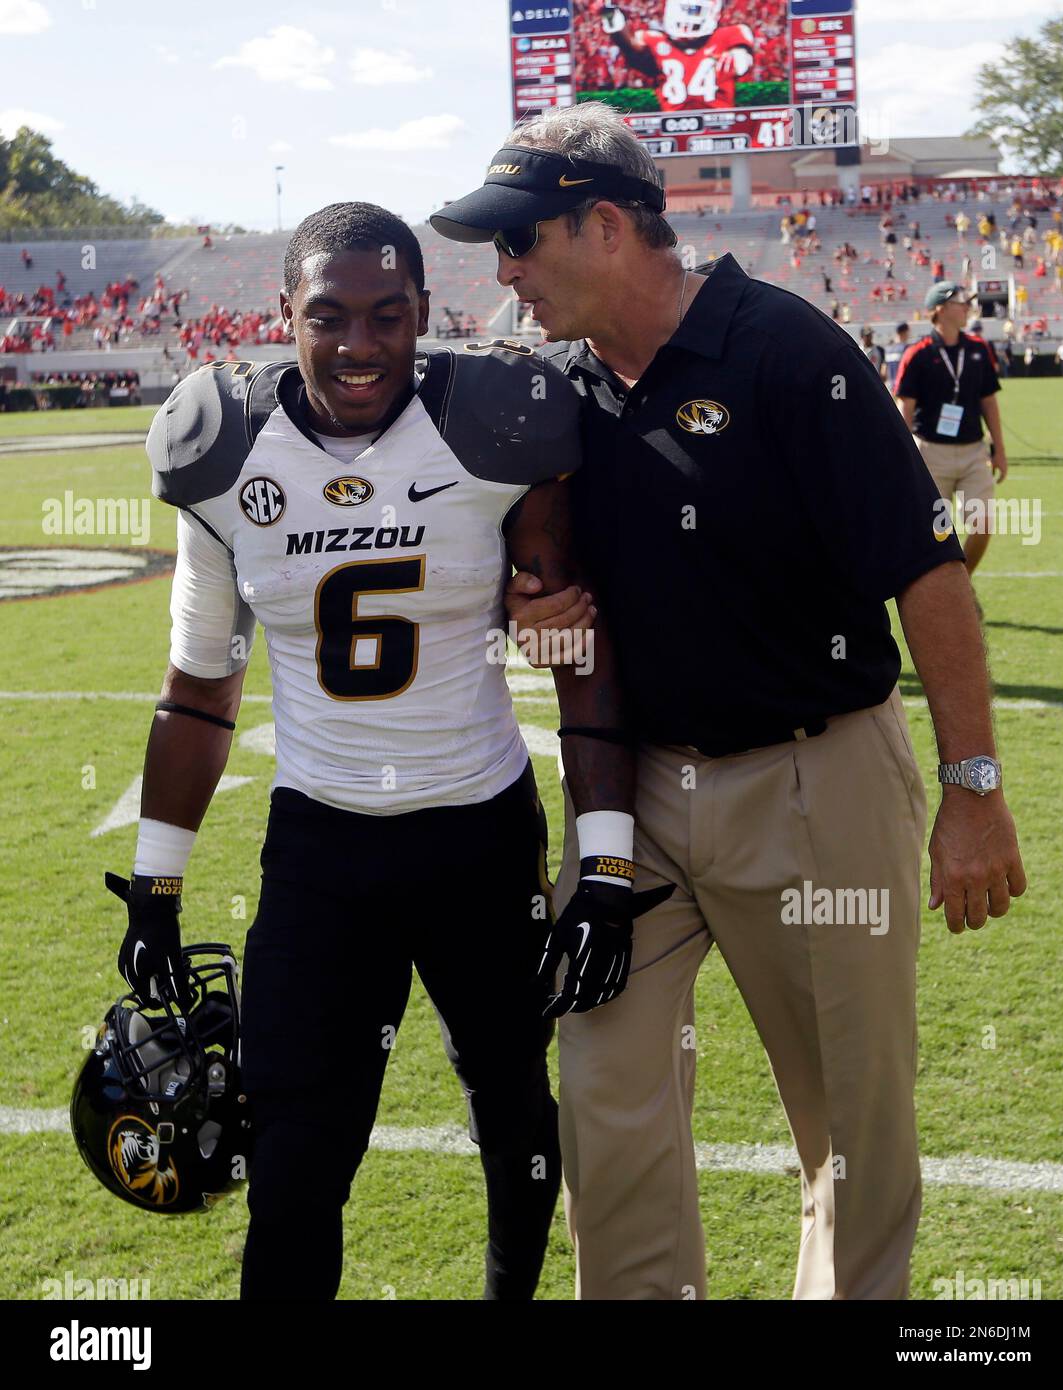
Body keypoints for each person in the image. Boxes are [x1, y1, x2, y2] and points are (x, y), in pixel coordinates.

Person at [432, 102, 1026, 1302]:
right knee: (605, 1095)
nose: (502, 272)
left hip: (815, 774)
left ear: (604, 226)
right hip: (629, 795)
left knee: (847, 1125)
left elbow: (927, 579)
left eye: (519, 242)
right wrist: (520, 602)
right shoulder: (553, 389)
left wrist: (973, 789)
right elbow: (509, 564)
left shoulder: (789, 351)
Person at [109, 201, 660, 1301]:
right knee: (298, 1158)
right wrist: (155, 885)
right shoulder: (220, 449)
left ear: (424, 312)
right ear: (284, 314)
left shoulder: (498, 422)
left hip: (479, 834)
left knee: (513, 1113)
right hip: (321, 853)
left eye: (388, 316)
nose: (360, 346)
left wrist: (602, 859)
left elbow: (566, 638)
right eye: (329, 318)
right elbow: (202, 685)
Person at [895, 281, 1007, 574]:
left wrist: (1000, 450)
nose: (968, 307)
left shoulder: (979, 348)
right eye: (961, 302)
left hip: (973, 452)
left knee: (983, 524)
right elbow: (904, 408)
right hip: (931, 453)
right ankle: (952, 597)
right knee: (937, 536)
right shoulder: (917, 353)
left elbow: (989, 402)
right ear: (940, 309)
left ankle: (963, 584)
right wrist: (903, 459)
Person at [883, 321, 911, 393]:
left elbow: (883, 371)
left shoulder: (888, 349)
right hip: (902, 388)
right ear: (904, 332)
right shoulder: (907, 348)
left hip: (889, 388)